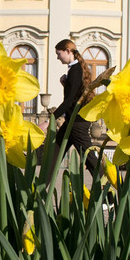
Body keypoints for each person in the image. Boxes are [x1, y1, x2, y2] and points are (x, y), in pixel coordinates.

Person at [54, 38, 98, 171]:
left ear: (68, 51)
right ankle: (41, 189)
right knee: (54, 155)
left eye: (58, 53)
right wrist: (65, 84)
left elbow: (69, 100)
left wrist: (51, 118)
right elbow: (76, 95)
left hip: (76, 123)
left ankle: (108, 190)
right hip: (73, 121)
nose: (57, 57)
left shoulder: (75, 70)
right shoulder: (77, 69)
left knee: (90, 160)